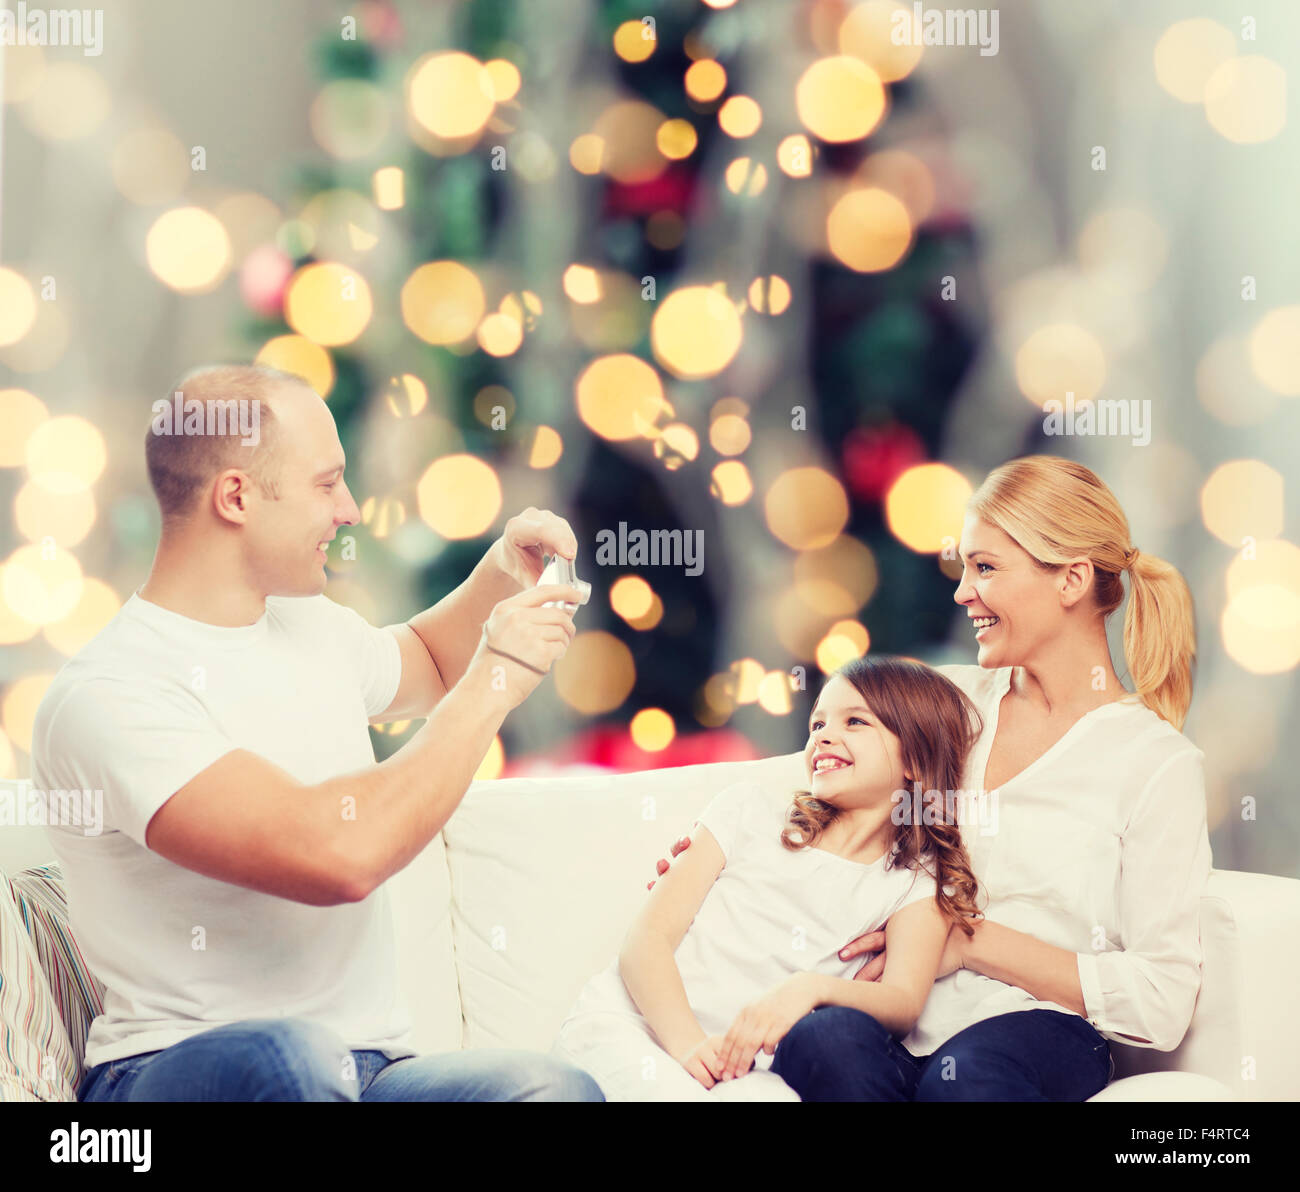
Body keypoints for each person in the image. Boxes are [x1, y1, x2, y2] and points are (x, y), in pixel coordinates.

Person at [31, 362, 602, 1102]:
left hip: (367, 1073)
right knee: (288, 1059)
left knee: (545, 1088)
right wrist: (496, 681)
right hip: (178, 1070)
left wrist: (503, 575)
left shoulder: (310, 627)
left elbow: (428, 660)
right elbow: (338, 855)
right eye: (327, 483)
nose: (352, 510)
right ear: (236, 496)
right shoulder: (110, 693)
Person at [655, 455, 1212, 1102]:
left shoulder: (1155, 764)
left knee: (969, 1084)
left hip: (1036, 1029)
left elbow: (1164, 1000)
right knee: (820, 1042)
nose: (961, 592)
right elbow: (826, 767)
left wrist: (966, 939)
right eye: (963, 567)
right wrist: (723, 844)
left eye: (986, 568)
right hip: (898, 1009)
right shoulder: (950, 701)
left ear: (1072, 580)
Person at [552, 656, 984, 1101]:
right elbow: (647, 940)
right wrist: (688, 1047)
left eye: (855, 721)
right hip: (637, 1030)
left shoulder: (917, 880)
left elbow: (902, 1002)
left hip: (740, 1070)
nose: (824, 737)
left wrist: (812, 989)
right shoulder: (748, 812)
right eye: (817, 725)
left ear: (915, 757)